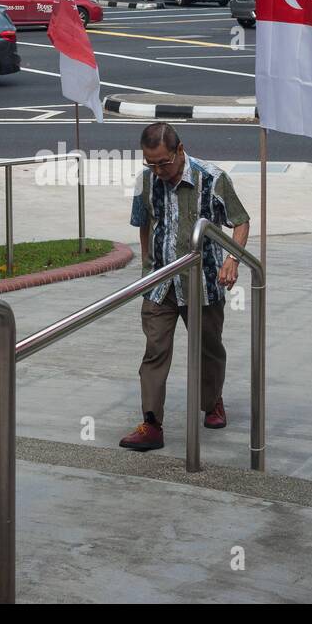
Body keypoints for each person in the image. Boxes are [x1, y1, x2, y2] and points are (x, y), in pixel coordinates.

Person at [121, 123, 251, 451]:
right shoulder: (146, 181)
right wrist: (147, 268)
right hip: (160, 284)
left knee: (209, 348)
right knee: (154, 351)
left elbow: (240, 220)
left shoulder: (213, 178)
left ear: (180, 150)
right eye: (151, 163)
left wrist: (232, 261)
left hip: (203, 283)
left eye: (164, 162)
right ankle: (151, 424)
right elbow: (145, 225)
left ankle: (213, 401)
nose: (158, 170)